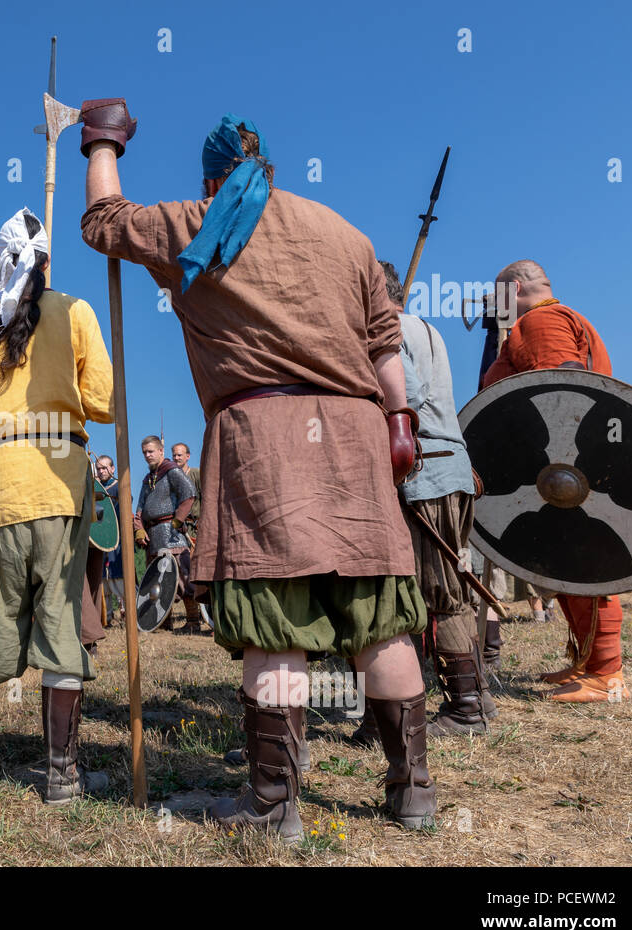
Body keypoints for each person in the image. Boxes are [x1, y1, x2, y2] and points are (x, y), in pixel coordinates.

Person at [81, 105, 432, 838]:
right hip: (359, 433)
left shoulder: (196, 221)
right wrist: (400, 427)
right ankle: (413, 793)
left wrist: (103, 139)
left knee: (275, 621)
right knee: (381, 620)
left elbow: (104, 219)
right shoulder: (347, 233)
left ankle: (274, 809)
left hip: (266, 438)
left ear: (213, 177)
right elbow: (385, 348)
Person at [0, 207, 114, 805]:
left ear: (0, 257)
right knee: (60, 621)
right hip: (62, 480)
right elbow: (103, 403)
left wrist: (3, 414)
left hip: (3, 480)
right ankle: (61, 771)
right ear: (46, 261)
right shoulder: (75, 311)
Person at [481, 259, 625, 703]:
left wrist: (560, 467)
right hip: (562, 468)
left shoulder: (542, 321)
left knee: (584, 564)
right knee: (565, 564)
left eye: (497, 295)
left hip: (566, 469)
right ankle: (587, 661)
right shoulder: (558, 317)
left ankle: (606, 674)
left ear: (515, 288)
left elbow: (562, 392)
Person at [379, 261, 495, 736]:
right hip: (451, 468)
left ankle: (465, 709)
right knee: (452, 584)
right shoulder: (424, 327)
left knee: (439, 590)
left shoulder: (388, 330)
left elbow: (405, 395)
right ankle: (477, 696)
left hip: (425, 473)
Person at [134, 435, 199, 633]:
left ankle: (193, 621)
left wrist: (178, 520)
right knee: (158, 581)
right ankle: (162, 622)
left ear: (161, 451)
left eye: (151, 451)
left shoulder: (171, 471)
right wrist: (139, 529)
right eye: (144, 452)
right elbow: (140, 509)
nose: (147, 455)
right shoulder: (148, 479)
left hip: (172, 534)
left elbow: (189, 494)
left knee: (183, 579)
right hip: (153, 535)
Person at [95, 455, 124, 624]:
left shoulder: (119, 486)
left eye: (105, 468)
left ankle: (127, 614)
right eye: (99, 468)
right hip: (101, 539)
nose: (102, 471)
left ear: (112, 469)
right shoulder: (96, 488)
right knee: (102, 579)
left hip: (118, 540)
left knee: (119, 576)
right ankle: (106, 617)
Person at [172, 442, 200, 523]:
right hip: (175, 526)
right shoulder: (170, 478)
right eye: (174, 455)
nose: (176, 458)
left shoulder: (196, 473)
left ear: (188, 456)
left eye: (179, 455)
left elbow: (206, 499)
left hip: (194, 526)